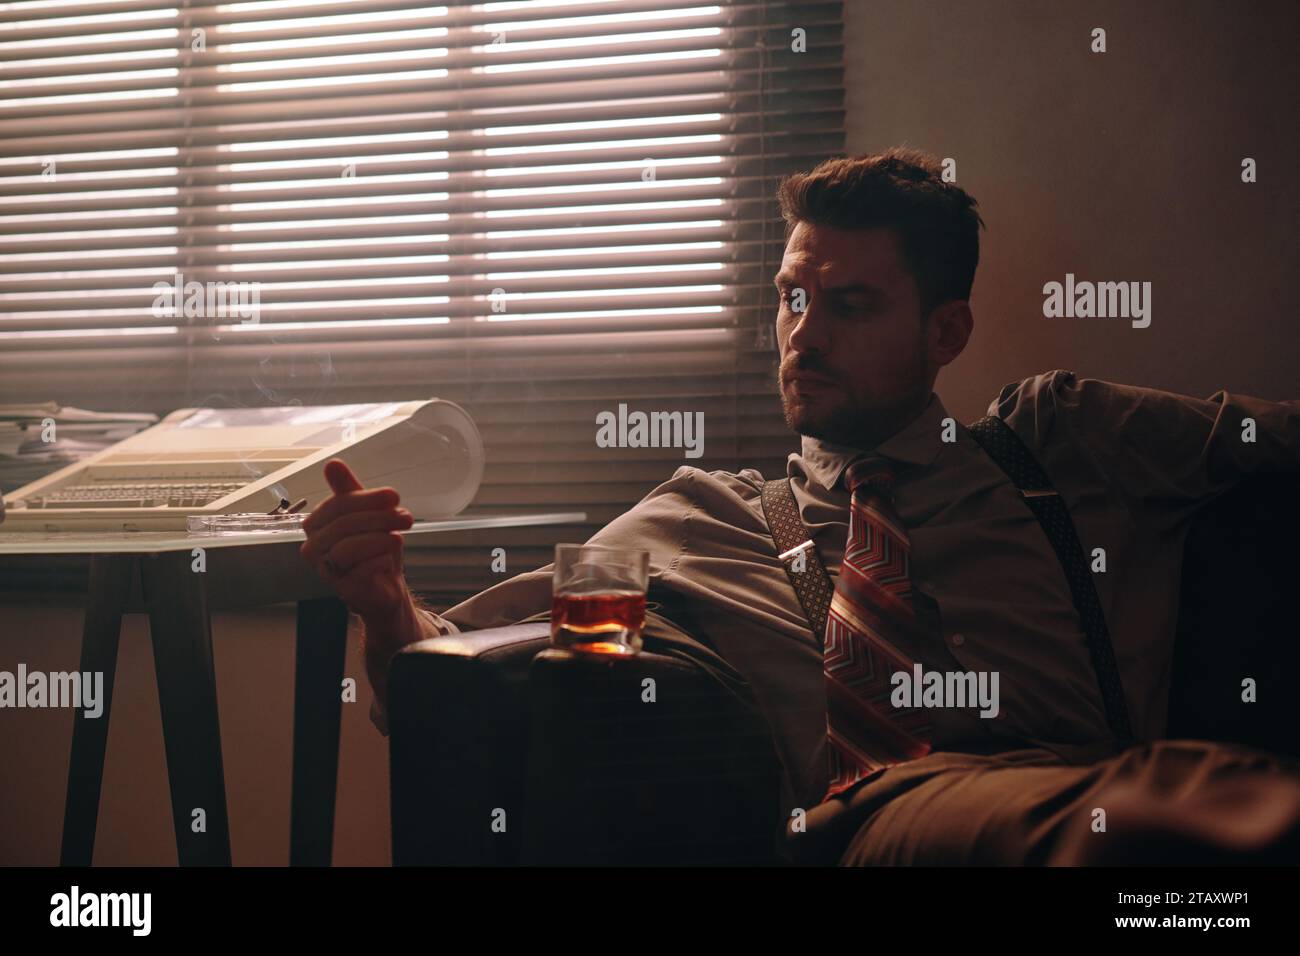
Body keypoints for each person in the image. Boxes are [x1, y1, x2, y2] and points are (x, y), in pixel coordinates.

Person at [299, 147, 1300, 865]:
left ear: (945, 329)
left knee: (1183, 812)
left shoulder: (1063, 435)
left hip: (1092, 786)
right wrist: (383, 603)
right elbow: (438, 681)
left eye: (849, 304)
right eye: (790, 295)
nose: (802, 333)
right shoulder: (699, 513)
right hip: (867, 820)